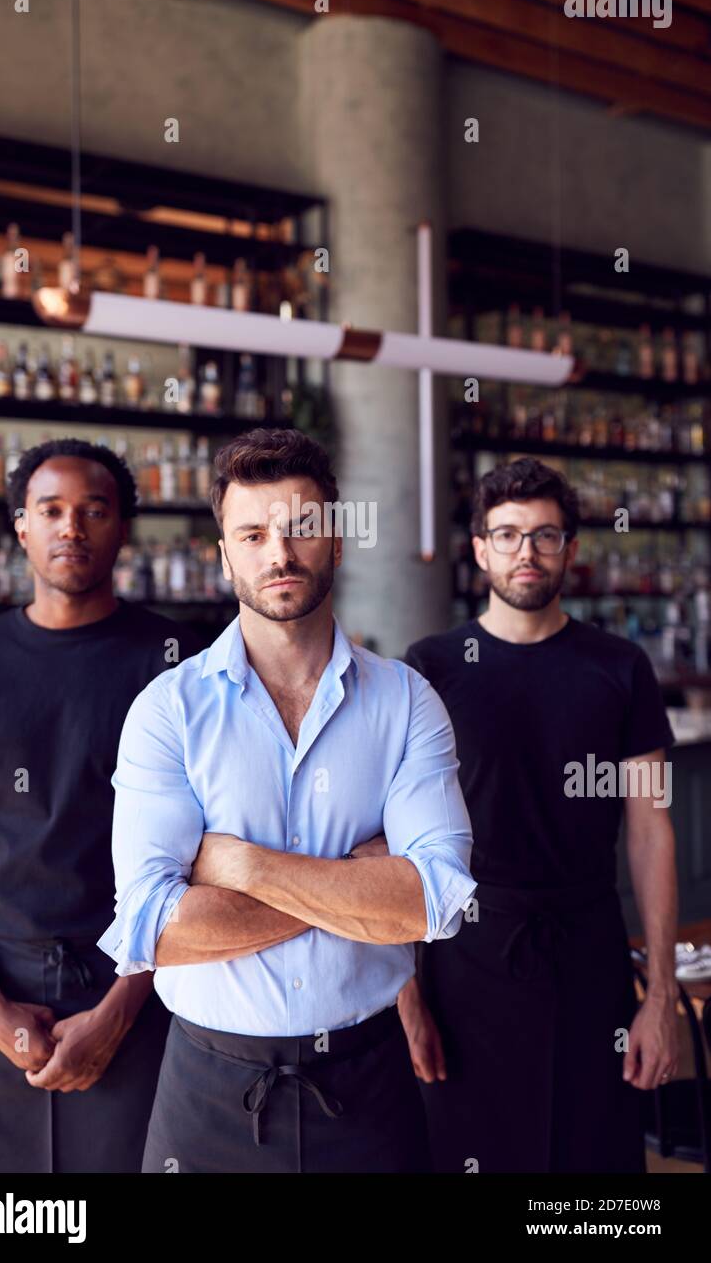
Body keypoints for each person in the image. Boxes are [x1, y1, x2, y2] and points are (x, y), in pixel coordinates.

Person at [97, 427, 476, 1174]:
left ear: (336, 541)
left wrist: (239, 865)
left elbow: (435, 901)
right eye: (253, 532)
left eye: (302, 527)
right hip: (207, 1088)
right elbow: (150, 929)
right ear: (225, 556)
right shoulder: (166, 710)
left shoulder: (406, 701)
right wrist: (357, 883)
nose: (280, 551)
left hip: (371, 1084)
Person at [402, 456, 678, 1174]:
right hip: (463, 960)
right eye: (509, 534)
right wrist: (406, 1001)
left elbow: (652, 828)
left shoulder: (619, 667)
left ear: (571, 550)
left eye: (546, 535)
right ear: (481, 548)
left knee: (591, 1170)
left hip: (589, 953)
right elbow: (388, 844)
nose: (528, 551)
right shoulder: (430, 667)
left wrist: (661, 999)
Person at [0, 438, 202, 1172]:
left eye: (94, 510)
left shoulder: (182, 662)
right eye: (50, 510)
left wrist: (119, 1011)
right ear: (20, 525)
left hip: (139, 985)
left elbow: (205, 856)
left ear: (124, 529)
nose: (72, 528)